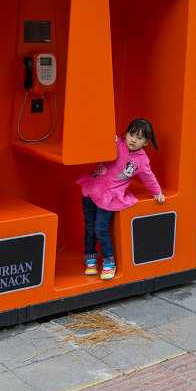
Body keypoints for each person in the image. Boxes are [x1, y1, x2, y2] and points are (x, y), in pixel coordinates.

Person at [77, 118, 165, 280]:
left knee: (100, 229)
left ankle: (109, 262)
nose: (133, 139)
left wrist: (157, 191)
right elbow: (102, 135)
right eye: (132, 134)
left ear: (146, 143)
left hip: (109, 197)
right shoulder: (117, 143)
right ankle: (90, 257)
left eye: (139, 138)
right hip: (92, 189)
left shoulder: (141, 160)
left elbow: (148, 177)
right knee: (89, 227)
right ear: (126, 134)